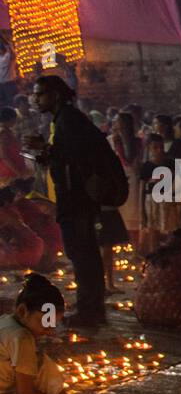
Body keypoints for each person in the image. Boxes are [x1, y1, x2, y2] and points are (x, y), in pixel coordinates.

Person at [24, 76, 108, 327]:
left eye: (40, 94)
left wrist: (46, 149)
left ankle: (90, 310)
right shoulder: (64, 120)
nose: (35, 99)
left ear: (56, 96)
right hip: (75, 198)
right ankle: (92, 307)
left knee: (82, 253)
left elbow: (76, 159)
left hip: (77, 200)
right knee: (84, 253)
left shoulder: (69, 121)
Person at [0, 273, 85, 394]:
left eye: (52, 323)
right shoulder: (21, 338)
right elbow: (26, 393)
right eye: (44, 322)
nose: (49, 330)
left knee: (41, 364)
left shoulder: (5, 322)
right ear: (23, 311)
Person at [109, 111, 143, 247]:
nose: (115, 123)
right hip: (119, 181)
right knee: (121, 214)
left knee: (134, 215)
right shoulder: (112, 141)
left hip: (135, 180)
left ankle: (134, 247)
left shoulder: (138, 142)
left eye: (118, 121)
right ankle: (123, 247)